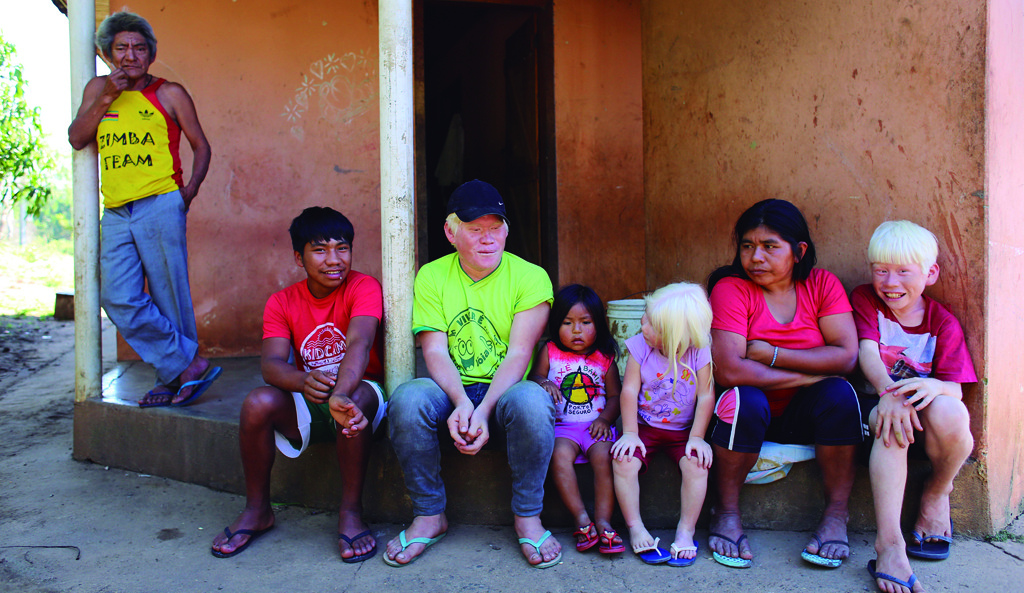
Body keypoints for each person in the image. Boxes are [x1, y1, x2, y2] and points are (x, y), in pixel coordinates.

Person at [384, 180, 559, 568]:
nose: (487, 238)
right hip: (452, 391)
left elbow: (519, 354)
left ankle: (528, 517)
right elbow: (434, 350)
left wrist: (483, 410)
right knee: (408, 399)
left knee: (533, 402)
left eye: (495, 228)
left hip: (507, 393)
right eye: (475, 229)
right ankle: (430, 515)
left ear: (507, 231)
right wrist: (463, 402)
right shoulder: (432, 276)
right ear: (451, 234)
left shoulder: (531, 277)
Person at [210, 207, 386, 562]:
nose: (334, 260)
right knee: (257, 403)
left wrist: (340, 393)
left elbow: (359, 342)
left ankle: (351, 512)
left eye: (342, 248)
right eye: (320, 250)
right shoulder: (282, 302)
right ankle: (258, 510)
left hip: (362, 392)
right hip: (312, 395)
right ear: (298, 257)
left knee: (355, 398)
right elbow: (271, 365)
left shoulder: (363, 287)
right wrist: (303, 380)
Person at [68, 11, 217, 407]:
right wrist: (106, 98)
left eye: (139, 48)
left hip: (160, 203)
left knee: (170, 297)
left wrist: (188, 192)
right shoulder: (97, 89)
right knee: (117, 295)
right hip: (117, 211)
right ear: (107, 54)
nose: (130, 55)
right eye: (121, 48)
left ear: (151, 54)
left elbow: (201, 145)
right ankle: (187, 365)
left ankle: (171, 379)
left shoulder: (169, 93)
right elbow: (77, 137)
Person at [706, 199, 860, 569]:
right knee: (744, 398)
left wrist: (772, 354)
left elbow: (845, 357)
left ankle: (836, 515)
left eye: (769, 246)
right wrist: (811, 374)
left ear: (798, 251)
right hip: (749, 417)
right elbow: (729, 371)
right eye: (747, 246)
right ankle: (725, 512)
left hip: (804, 416)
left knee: (840, 394)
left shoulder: (822, 285)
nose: (755, 257)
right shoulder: (731, 289)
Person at [853, 221, 975, 593]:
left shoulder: (943, 323)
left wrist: (933, 385)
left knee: (953, 411)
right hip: (876, 407)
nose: (890, 282)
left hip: (924, 420)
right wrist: (889, 393)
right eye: (881, 271)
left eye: (904, 272)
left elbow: (955, 389)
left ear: (930, 274)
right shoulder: (866, 300)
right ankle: (889, 545)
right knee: (894, 421)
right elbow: (867, 352)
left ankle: (937, 492)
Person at [610, 282, 714, 567]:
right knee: (623, 461)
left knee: (697, 465)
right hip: (644, 427)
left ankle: (686, 531)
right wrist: (630, 433)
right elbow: (629, 390)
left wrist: (697, 437)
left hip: (682, 431)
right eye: (645, 317)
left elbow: (706, 395)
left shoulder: (698, 351)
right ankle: (635, 527)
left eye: (651, 324)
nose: (642, 325)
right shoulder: (640, 345)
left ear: (674, 336)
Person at [530, 284, 623, 555]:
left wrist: (605, 420)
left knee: (604, 458)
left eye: (585, 322)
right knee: (558, 456)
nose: (577, 330)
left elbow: (616, 396)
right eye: (567, 323)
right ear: (555, 324)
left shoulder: (605, 357)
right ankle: (581, 518)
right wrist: (544, 382)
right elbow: (535, 376)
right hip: (563, 428)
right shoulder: (550, 351)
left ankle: (604, 522)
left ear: (599, 324)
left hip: (596, 428)